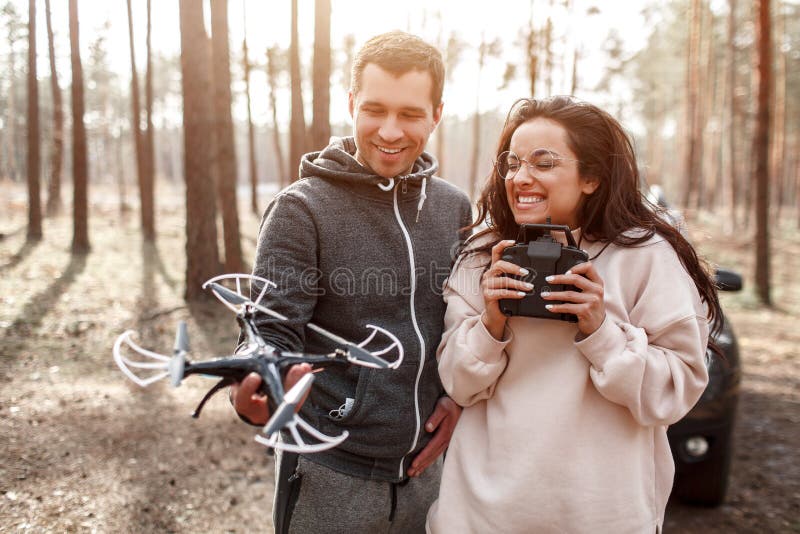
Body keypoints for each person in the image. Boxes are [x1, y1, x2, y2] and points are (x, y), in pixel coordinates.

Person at [426, 96, 722, 533]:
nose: (520, 177)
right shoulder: (483, 255)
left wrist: (600, 330)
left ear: (592, 178)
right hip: (481, 516)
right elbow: (459, 384)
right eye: (512, 163)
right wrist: (490, 322)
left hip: (603, 515)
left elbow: (675, 393)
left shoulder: (647, 255)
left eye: (543, 163)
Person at [229, 31, 473, 534]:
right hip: (327, 471)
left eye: (409, 114)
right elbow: (269, 330)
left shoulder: (455, 209)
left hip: (428, 475)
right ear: (351, 105)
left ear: (437, 114)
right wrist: (255, 384)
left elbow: (462, 325)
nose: (389, 130)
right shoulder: (302, 209)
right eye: (374, 109)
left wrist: (456, 400)